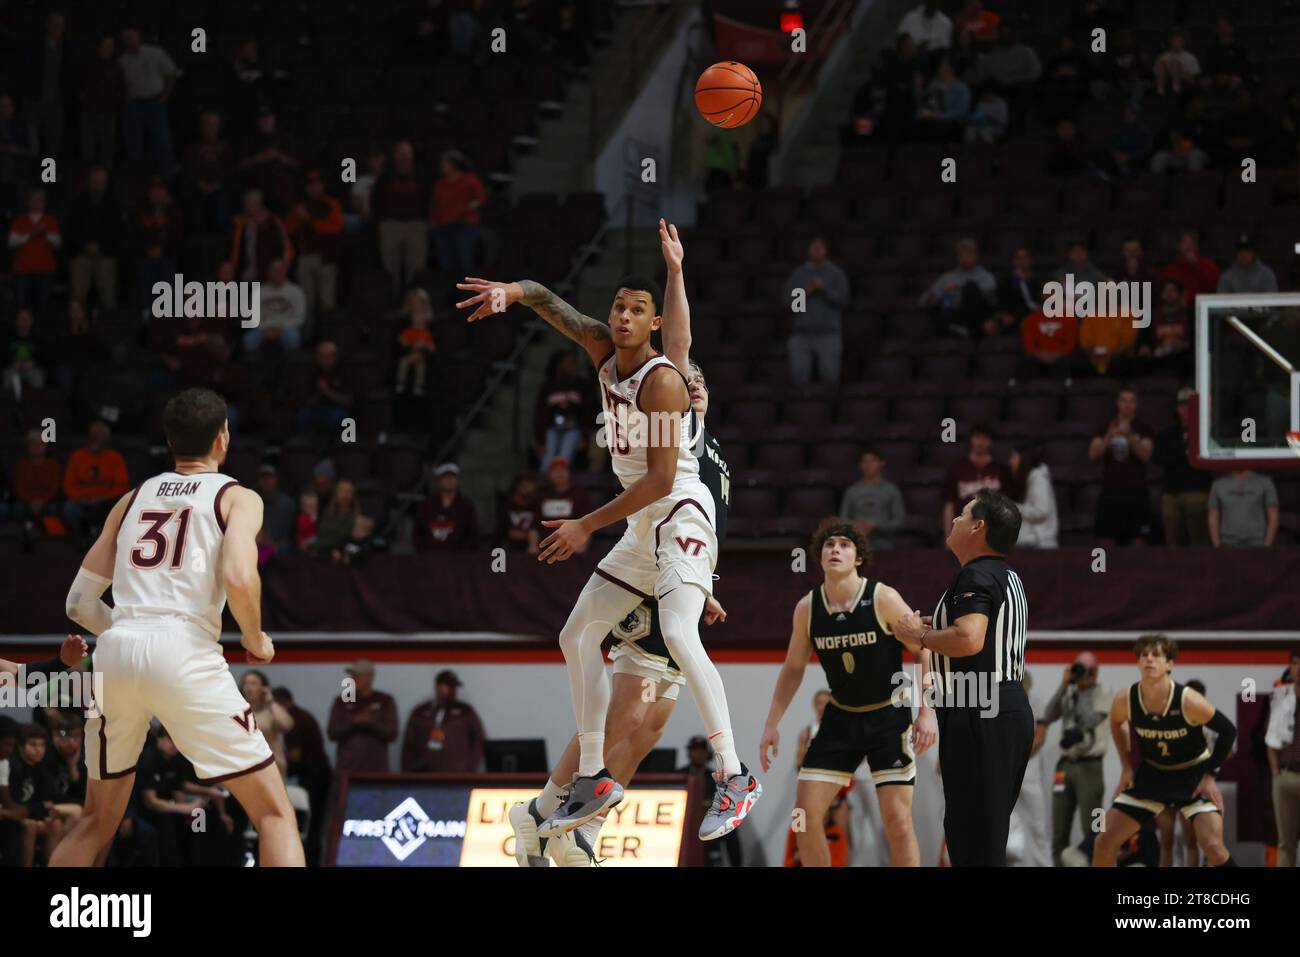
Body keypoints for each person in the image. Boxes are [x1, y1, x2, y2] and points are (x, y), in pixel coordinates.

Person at [507, 219, 736, 865]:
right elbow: (679, 341)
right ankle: (564, 806)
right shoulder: (663, 383)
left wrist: (700, 582)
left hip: (672, 543)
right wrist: (675, 273)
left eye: (701, 388)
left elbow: (700, 517)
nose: (693, 389)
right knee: (630, 702)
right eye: (690, 382)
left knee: (655, 717)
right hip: (646, 532)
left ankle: (566, 816)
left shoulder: (714, 456)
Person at [49, 386, 305, 866]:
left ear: (170, 441)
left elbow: (80, 603)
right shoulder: (237, 497)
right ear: (222, 440)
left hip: (116, 651)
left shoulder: (130, 499)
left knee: (94, 821)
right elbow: (239, 576)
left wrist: (129, 634)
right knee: (274, 815)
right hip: (184, 650)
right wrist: (255, 640)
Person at [759, 519, 937, 866]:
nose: (835, 549)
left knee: (897, 822)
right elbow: (793, 668)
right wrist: (771, 724)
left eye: (844, 544)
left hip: (888, 716)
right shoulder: (807, 608)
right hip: (840, 717)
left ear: (858, 557)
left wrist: (926, 711)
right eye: (829, 545)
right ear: (820, 557)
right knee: (804, 818)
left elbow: (922, 649)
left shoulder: (882, 597)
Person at [894, 489, 1032, 866]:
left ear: (978, 526)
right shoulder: (1004, 574)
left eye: (963, 514)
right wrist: (929, 628)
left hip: (981, 709)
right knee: (976, 838)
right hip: (996, 708)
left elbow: (970, 639)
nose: (954, 519)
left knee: (974, 842)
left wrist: (918, 637)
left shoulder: (976, 573)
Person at [1092, 635, 1237, 866]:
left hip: (1193, 776)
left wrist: (1210, 776)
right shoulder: (1125, 698)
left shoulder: (1188, 700)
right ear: (1138, 663)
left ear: (1169, 664)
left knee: (1212, 847)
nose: (1149, 659)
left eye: (1156, 655)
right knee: (1104, 841)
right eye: (1144, 655)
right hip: (1154, 775)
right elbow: (1116, 722)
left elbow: (1228, 730)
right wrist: (1127, 766)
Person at [1037, 653, 1109, 865]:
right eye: (1078, 668)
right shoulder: (1069, 691)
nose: (1081, 673)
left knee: (1094, 827)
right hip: (1065, 765)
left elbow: (1089, 720)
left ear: (1095, 671)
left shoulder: (1103, 692)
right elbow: (1048, 715)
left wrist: (1085, 687)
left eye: (1086, 669)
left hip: (1091, 767)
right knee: (1059, 829)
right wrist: (1064, 686)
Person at [1088, 386, 1155, 546]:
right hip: (1110, 491)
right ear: (1117, 403)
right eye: (1124, 400)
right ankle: (1101, 571)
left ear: (1136, 404)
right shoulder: (1105, 426)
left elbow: (1146, 456)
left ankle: (1138, 572)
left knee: (1138, 542)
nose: (1127, 404)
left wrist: (1129, 436)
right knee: (1104, 543)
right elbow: (1093, 455)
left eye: (1131, 401)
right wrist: (1109, 437)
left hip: (1136, 492)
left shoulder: (1144, 428)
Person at [782, 235, 850, 386]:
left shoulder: (836, 274)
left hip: (829, 334)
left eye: (820, 247)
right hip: (802, 334)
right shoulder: (798, 275)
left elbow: (843, 301)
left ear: (826, 250)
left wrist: (824, 289)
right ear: (808, 250)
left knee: (830, 379)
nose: (817, 251)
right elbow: (792, 306)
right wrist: (807, 291)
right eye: (814, 247)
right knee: (798, 381)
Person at [1153, 387, 1211, 546]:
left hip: (1198, 491)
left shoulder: (1207, 432)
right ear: (1178, 408)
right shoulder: (1166, 434)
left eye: (1191, 405)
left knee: (1199, 543)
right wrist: (1184, 453)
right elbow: (1157, 457)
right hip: (1171, 493)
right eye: (1184, 405)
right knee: (1173, 543)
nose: (1187, 409)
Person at [401, 671, 486, 773]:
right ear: (438, 686)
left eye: (454, 687)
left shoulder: (465, 711)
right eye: (448, 686)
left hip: (458, 775)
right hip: (425, 775)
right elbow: (409, 743)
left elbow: (479, 739)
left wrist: (470, 767)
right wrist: (408, 770)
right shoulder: (421, 711)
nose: (453, 690)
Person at [327, 660, 399, 774]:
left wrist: (371, 723)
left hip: (376, 770)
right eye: (352, 676)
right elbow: (332, 732)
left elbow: (392, 733)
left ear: (370, 676)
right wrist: (353, 722)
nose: (353, 679)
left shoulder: (385, 700)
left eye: (357, 675)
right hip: (347, 770)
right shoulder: (342, 701)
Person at [941, 422, 1012, 532]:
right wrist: (948, 537)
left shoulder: (1000, 470)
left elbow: (1008, 506)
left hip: (993, 530)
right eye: (977, 437)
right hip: (964, 530)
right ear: (971, 439)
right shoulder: (957, 468)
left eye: (985, 438)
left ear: (991, 442)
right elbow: (949, 505)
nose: (980, 442)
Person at [1265, 650, 1300, 867]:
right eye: (1296, 663)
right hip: (1286, 777)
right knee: (1285, 843)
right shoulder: (1282, 698)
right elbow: (1271, 741)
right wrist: (1276, 774)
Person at [431, 149, 486, 276]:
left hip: (464, 226)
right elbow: (435, 204)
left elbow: (481, 198)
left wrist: (469, 207)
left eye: (445, 163)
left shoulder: (470, 180)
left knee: (465, 261)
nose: (442, 166)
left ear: (454, 165)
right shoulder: (440, 184)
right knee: (446, 263)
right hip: (444, 226)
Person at [838, 448, 905, 550]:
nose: (868, 465)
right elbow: (843, 519)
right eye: (864, 462)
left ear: (882, 463)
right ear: (860, 465)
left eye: (872, 461)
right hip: (856, 540)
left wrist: (876, 526)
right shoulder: (851, 491)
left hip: (884, 540)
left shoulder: (892, 491)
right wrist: (856, 526)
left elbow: (898, 521)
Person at [240, 670, 294, 780]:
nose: (249, 688)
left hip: (271, 767)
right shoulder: (238, 710)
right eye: (246, 684)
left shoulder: (270, 710)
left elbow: (287, 725)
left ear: (264, 688)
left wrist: (271, 701)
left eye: (253, 684)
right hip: (245, 768)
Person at [414, 463, 479, 550]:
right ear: (438, 480)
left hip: (459, 560)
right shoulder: (427, 505)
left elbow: (473, 534)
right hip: (430, 559)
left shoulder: (466, 506)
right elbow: (418, 533)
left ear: (458, 480)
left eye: (453, 476)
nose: (449, 480)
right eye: (445, 477)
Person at [1207, 469, 1279, 547]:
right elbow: (1213, 516)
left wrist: (1267, 545)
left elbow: (1273, 516)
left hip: (1257, 543)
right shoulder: (1218, 484)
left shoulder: (1265, 482)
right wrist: (1217, 545)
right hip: (1227, 543)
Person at [1009, 444, 1057, 548]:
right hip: (1034, 544)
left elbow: (1041, 512)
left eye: (1014, 457)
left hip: (1042, 545)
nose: (1010, 462)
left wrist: (1012, 507)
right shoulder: (1031, 479)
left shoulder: (1038, 478)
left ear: (1023, 459)